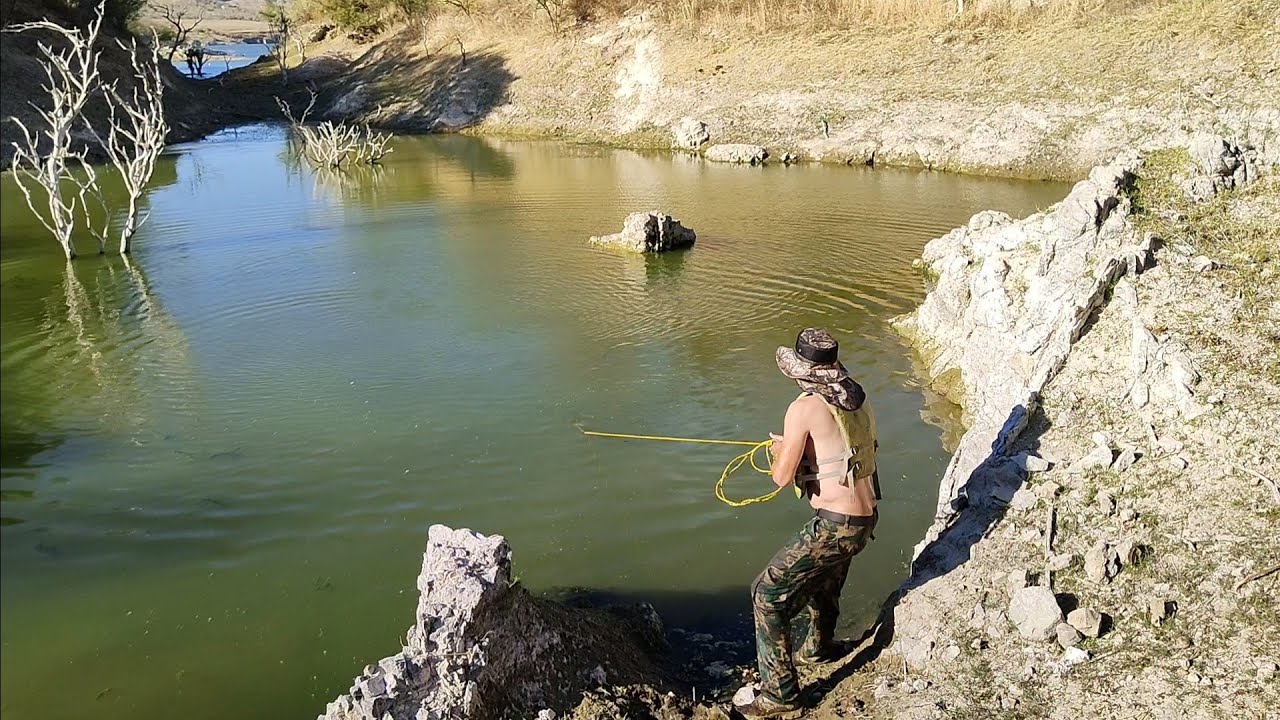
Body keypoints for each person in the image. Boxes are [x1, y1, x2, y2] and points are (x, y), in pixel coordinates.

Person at [736, 327, 881, 718]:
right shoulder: (854, 395)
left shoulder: (803, 407)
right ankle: (819, 648)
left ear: (800, 373)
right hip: (864, 519)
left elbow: (781, 477)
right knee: (823, 583)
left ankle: (780, 695)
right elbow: (838, 450)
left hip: (836, 524)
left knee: (766, 596)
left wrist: (781, 449)